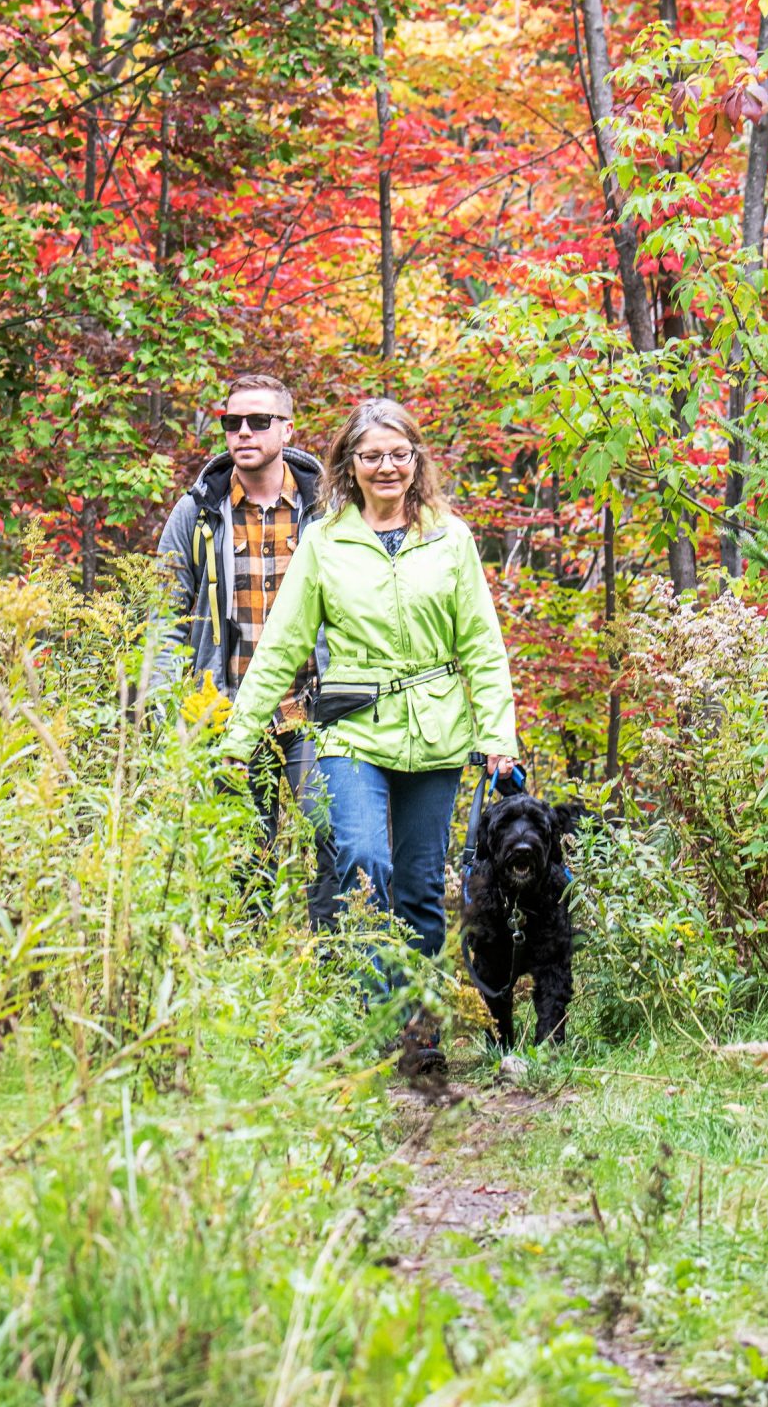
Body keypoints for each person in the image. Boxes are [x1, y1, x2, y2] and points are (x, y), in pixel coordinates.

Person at [220, 396, 517, 1073]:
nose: (387, 467)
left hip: (437, 732)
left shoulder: (452, 539)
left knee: (417, 886)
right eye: (372, 456)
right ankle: (377, 1022)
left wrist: (500, 734)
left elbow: (482, 646)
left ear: (417, 462)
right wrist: (239, 738)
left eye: (399, 454)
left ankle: (418, 1031)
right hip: (352, 732)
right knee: (361, 859)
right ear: (348, 467)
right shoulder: (325, 541)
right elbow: (280, 645)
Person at [151, 372, 339, 927]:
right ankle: (246, 970)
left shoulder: (328, 512)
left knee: (337, 840)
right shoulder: (197, 513)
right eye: (233, 422)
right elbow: (164, 616)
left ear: (287, 428)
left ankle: (328, 967)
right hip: (228, 714)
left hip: (314, 712)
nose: (244, 433)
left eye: (259, 421)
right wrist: (167, 709)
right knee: (239, 858)